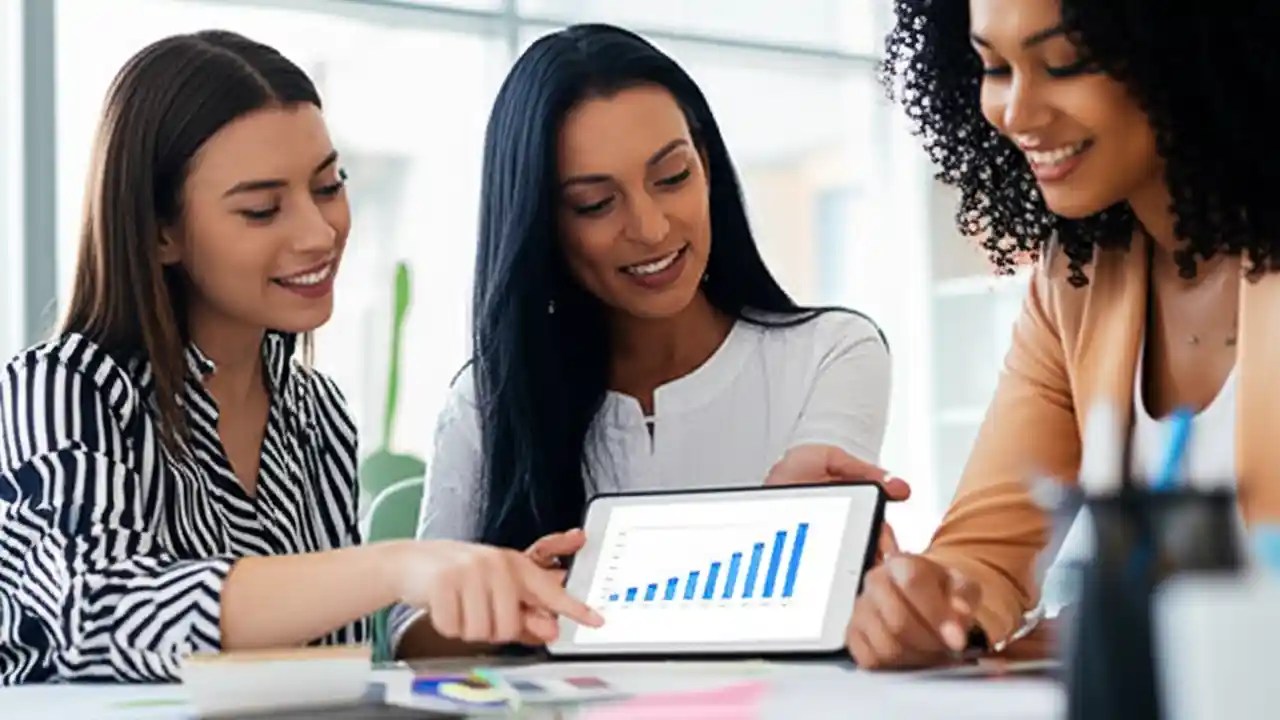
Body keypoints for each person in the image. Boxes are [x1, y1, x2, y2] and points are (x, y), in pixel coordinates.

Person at [0, 31, 599, 685]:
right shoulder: (59, 388)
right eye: (262, 210)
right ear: (160, 231)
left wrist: (479, 603)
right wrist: (396, 567)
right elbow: (102, 616)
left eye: (328, 186)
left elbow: (328, 666)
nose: (319, 234)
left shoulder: (315, 412)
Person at [392, 23, 899, 658]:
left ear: (706, 169)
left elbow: (813, 586)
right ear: (542, 225)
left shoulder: (833, 351)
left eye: (672, 177)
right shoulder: (487, 399)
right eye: (597, 204)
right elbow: (412, 637)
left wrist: (604, 587)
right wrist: (505, 602)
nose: (652, 227)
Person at [838, 0, 1280, 669]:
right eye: (992, 66)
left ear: (1193, 54)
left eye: (1065, 63)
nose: (1015, 111)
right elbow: (985, 548)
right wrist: (929, 605)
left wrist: (1147, 623)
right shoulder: (1076, 281)